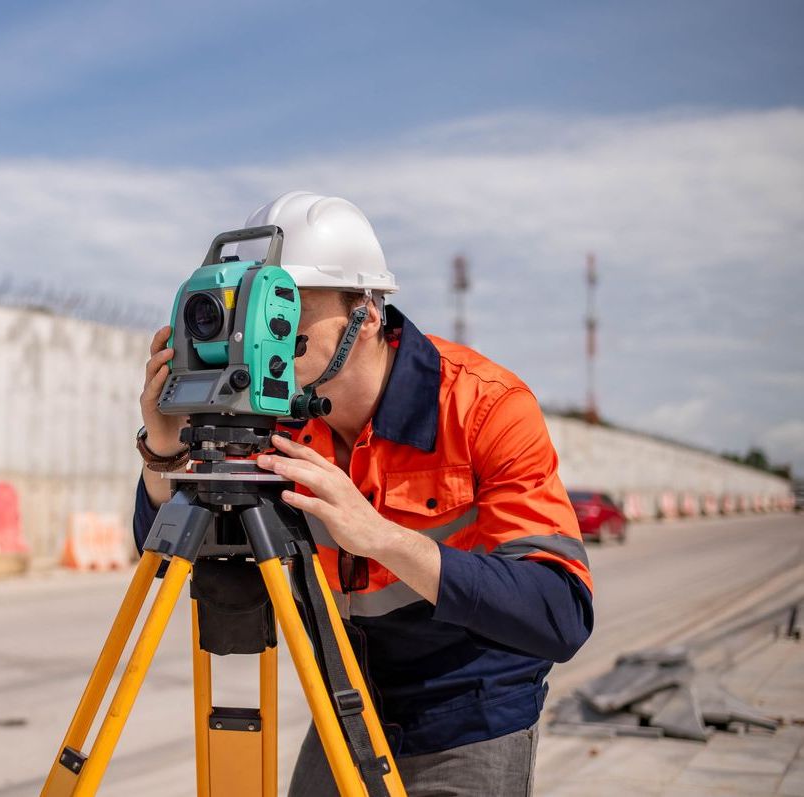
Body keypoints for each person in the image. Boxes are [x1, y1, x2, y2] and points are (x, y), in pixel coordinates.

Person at [133, 191, 593, 796]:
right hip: (347, 710)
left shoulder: (483, 407)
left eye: (289, 301)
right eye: (253, 301)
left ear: (367, 312)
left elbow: (557, 613)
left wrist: (379, 536)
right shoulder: (275, 419)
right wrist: (165, 452)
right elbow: (165, 556)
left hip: (471, 717)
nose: (262, 327)